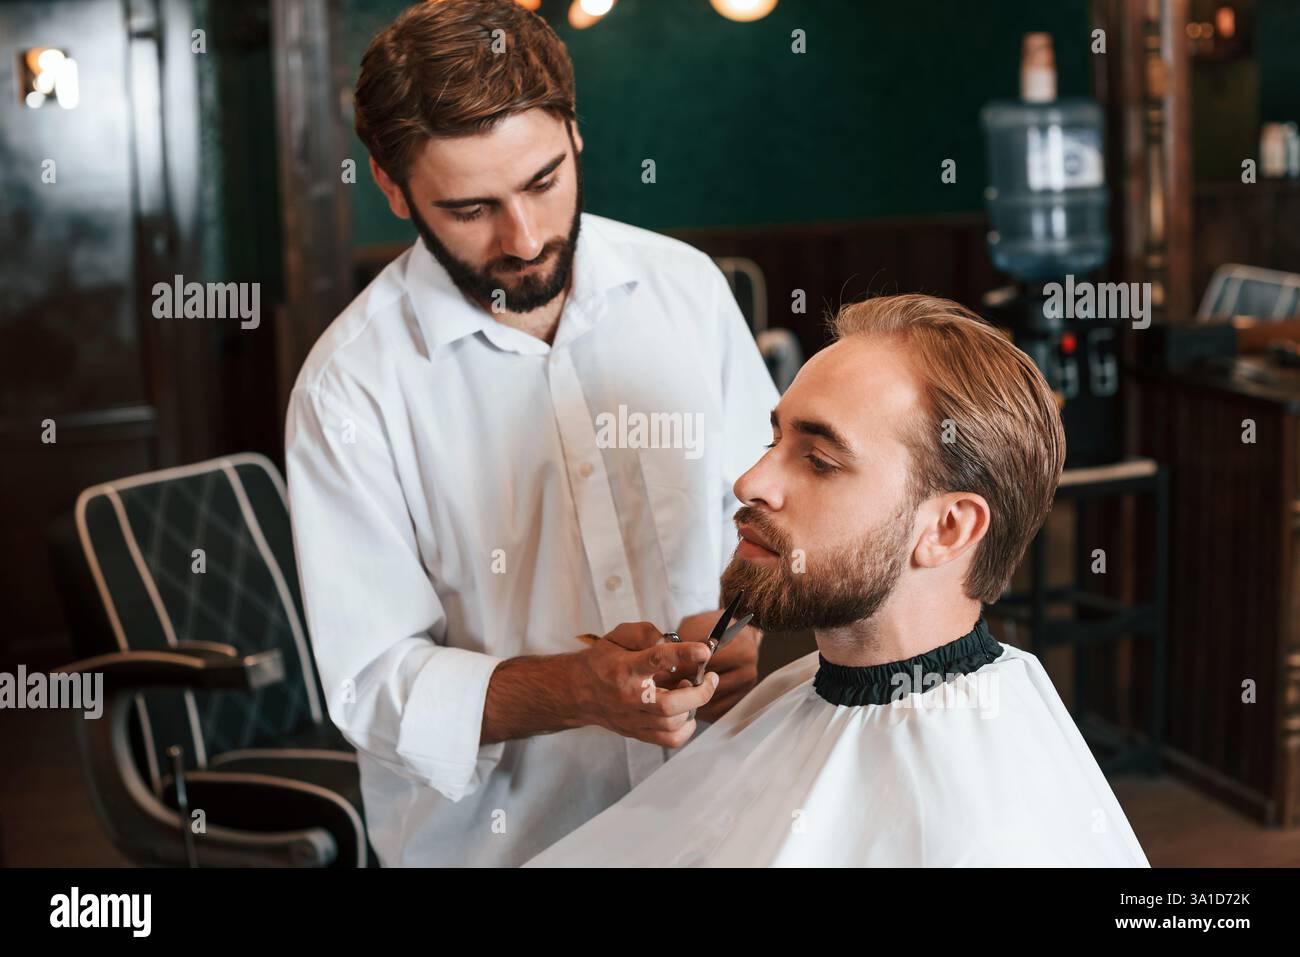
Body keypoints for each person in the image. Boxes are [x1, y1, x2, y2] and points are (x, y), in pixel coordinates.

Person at [285, 0, 775, 866]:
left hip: (720, 816)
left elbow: (762, 515)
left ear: (575, 134)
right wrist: (577, 692)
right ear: (393, 188)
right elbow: (374, 683)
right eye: (472, 208)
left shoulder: (687, 291)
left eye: (543, 182)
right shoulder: (349, 387)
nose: (526, 238)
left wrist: (745, 622)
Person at [527, 294, 1150, 867]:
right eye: (774, 439)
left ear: (948, 529)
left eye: (821, 462)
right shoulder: (801, 692)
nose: (750, 483)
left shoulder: (991, 833)